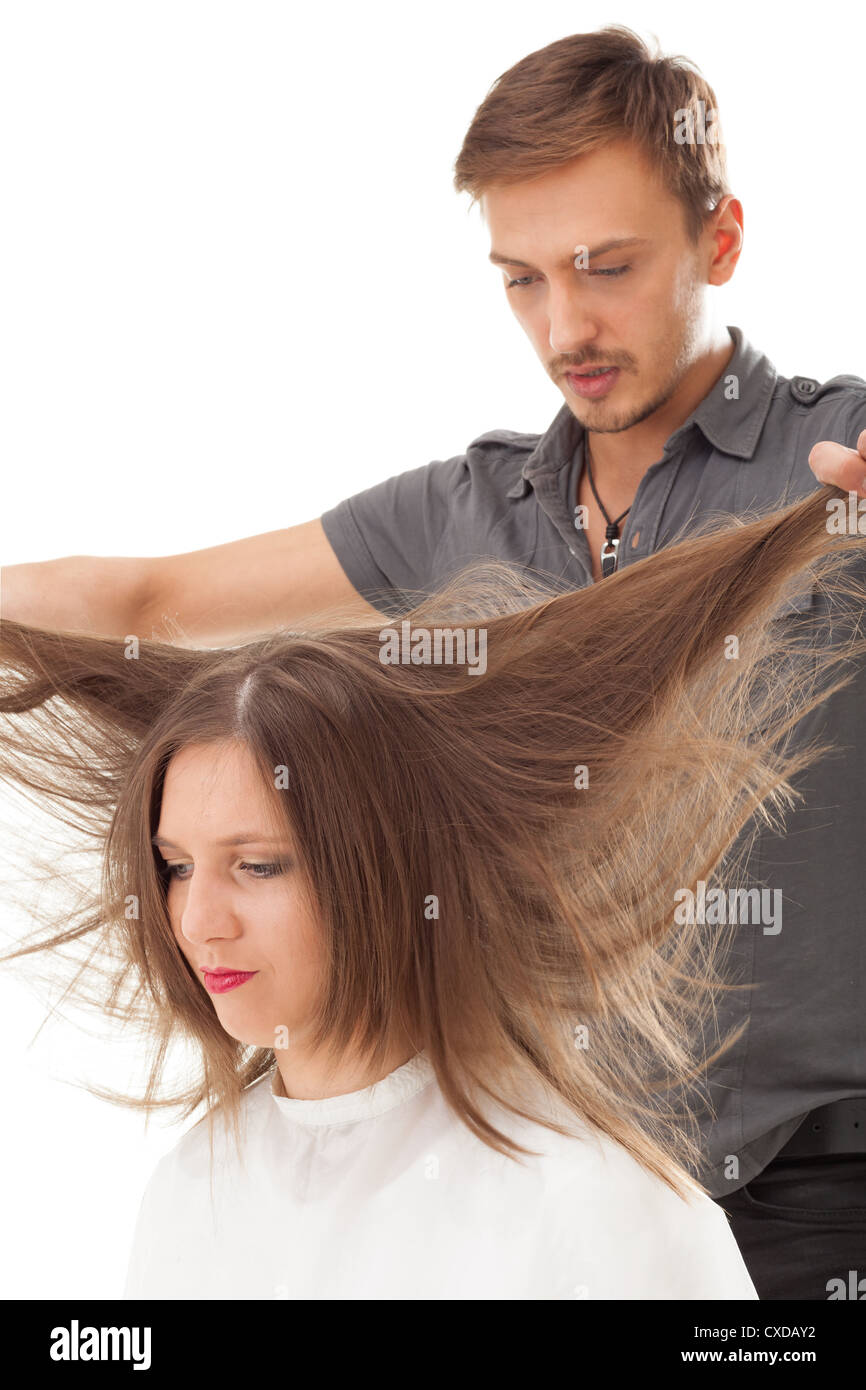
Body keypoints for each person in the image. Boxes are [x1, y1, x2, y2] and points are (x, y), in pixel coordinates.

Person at [3, 27, 866, 1298]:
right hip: (546, 1190)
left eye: (605, 268)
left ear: (719, 240)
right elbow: (150, 597)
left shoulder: (835, 465)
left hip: (819, 1204)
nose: (562, 326)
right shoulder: (463, 514)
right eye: (519, 278)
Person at [2, 480, 864, 1299]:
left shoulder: (596, 1207)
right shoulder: (191, 1192)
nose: (198, 920)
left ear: (387, 867)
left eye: (258, 866)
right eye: (176, 866)